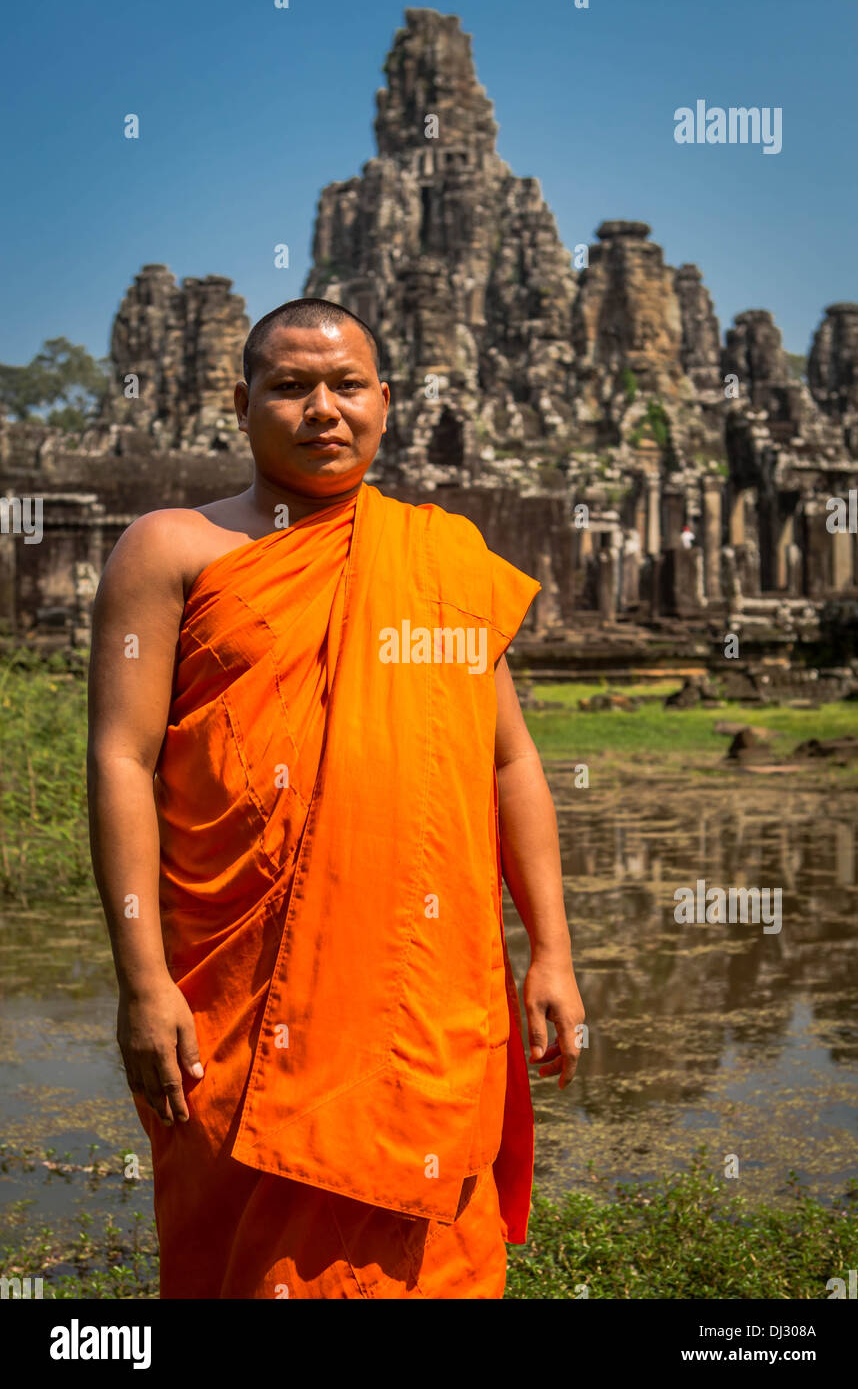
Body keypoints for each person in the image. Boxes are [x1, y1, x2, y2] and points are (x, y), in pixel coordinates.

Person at [87, 297, 585, 1299]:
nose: (323, 409)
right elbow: (121, 761)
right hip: (241, 999)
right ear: (240, 403)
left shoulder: (439, 559)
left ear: (385, 402)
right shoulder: (173, 549)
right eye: (290, 386)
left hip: (424, 994)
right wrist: (144, 982)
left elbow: (508, 764)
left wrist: (553, 954)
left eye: (346, 385)